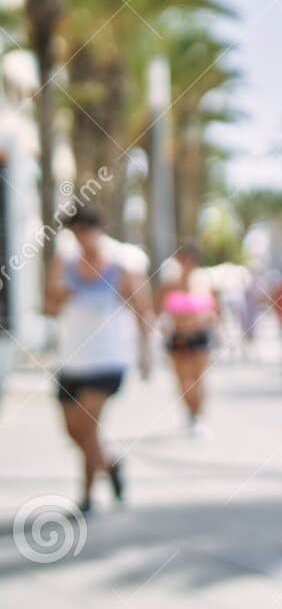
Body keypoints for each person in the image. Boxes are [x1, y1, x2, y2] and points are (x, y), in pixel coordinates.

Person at [43, 206, 154, 514]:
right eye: (75, 232)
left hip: (108, 359)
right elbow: (48, 304)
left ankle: (88, 497)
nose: (80, 237)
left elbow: (142, 308)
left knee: (89, 427)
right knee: (72, 430)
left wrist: (147, 355)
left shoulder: (122, 263)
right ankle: (111, 465)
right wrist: (59, 296)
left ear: (96, 229)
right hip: (71, 359)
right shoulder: (64, 262)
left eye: (84, 230)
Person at [158, 241, 218, 435]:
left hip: (198, 336)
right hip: (177, 337)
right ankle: (190, 413)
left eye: (190, 259)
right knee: (182, 381)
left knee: (197, 379)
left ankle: (198, 415)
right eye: (183, 258)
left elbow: (212, 311)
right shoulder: (169, 283)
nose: (187, 262)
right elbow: (159, 309)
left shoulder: (204, 281)